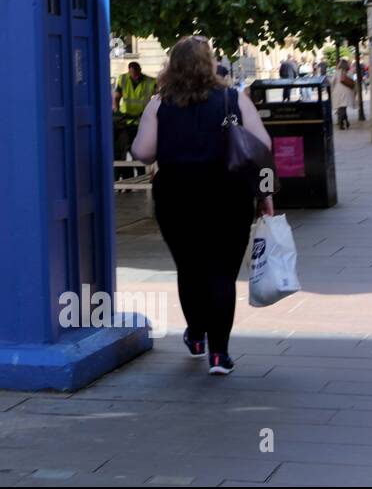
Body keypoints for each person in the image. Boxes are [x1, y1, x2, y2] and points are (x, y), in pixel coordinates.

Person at [131, 36, 273, 376]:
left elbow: (143, 152)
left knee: (190, 267)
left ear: (172, 66)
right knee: (222, 273)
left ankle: (196, 334)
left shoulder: (159, 104)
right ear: (210, 64)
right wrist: (266, 195)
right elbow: (262, 146)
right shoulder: (233, 99)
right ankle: (219, 355)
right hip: (229, 195)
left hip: (177, 196)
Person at [113, 61, 156, 158]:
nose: (135, 76)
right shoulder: (123, 79)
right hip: (125, 121)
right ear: (129, 72)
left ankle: (140, 169)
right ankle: (125, 171)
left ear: (140, 70)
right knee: (123, 149)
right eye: (132, 74)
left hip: (142, 120)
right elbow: (116, 97)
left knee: (139, 151)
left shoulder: (150, 81)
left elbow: (160, 97)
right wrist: (117, 111)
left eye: (137, 73)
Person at [331, 59, 357, 130]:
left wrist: (332, 90)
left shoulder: (336, 72)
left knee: (341, 107)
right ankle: (343, 122)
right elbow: (353, 82)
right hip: (347, 92)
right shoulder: (350, 72)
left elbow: (332, 81)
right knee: (343, 107)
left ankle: (341, 122)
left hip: (337, 91)